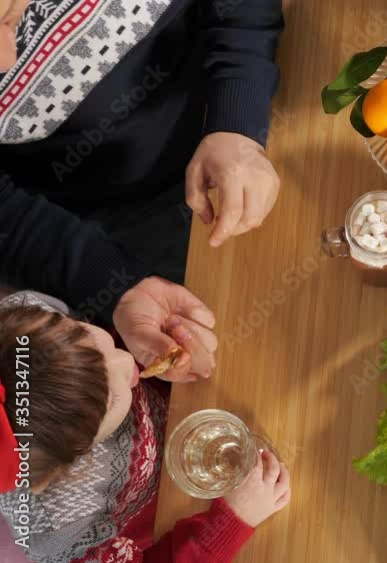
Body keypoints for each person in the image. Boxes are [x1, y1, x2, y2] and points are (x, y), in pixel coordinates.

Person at [0, 0, 282, 378]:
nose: (5, 60)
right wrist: (117, 285)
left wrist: (237, 119)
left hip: (259, 96)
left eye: (5, 18)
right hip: (116, 232)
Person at [0, 291, 291, 562]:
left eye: (82, 332)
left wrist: (145, 334)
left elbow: (111, 321)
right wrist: (230, 522)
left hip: (193, 400)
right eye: (110, 398)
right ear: (75, 457)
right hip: (182, 510)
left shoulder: (28, 319)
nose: (124, 360)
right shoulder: (59, 526)